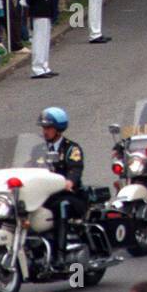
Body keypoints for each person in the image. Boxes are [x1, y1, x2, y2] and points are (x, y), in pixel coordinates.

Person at [36, 106, 86, 264]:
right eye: (44, 127)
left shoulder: (72, 148)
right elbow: (26, 167)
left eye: (49, 128)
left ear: (58, 128)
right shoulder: (37, 149)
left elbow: (75, 169)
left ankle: (60, 253)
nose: (45, 131)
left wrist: (69, 182)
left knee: (62, 206)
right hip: (43, 196)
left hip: (69, 195)